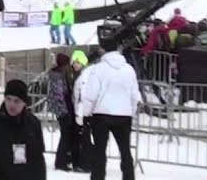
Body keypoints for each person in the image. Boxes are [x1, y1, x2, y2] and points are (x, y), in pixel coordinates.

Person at [76, 40, 140, 180]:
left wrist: (86, 114)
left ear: (103, 51)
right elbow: (135, 95)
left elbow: (91, 95)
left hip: (101, 113)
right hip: (124, 114)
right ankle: (129, 177)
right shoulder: (129, 69)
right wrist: (131, 112)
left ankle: (98, 177)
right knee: (125, 151)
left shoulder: (98, 69)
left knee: (100, 151)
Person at [0, 79, 47, 180]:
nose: (11, 105)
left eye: (16, 101)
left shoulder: (33, 124)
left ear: (24, 103)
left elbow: (38, 162)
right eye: (8, 99)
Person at [46, 54, 78, 172]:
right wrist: (65, 112)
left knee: (66, 135)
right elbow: (59, 96)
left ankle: (64, 159)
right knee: (65, 136)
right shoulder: (58, 77)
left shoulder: (60, 75)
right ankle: (61, 162)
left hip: (63, 109)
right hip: (62, 110)